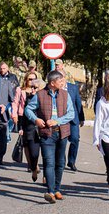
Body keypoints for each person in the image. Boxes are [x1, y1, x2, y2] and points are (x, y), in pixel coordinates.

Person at [24, 69, 76, 204]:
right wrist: (36, 119)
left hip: (62, 132)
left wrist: (57, 121)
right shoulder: (40, 95)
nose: (63, 82)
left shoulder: (65, 95)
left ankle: (57, 189)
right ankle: (50, 191)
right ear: (53, 83)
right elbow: (28, 109)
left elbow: (71, 114)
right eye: (60, 80)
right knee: (49, 162)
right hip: (47, 134)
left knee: (60, 163)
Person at [11, 70, 41, 175]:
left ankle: (34, 164)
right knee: (26, 143)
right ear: (26, 80)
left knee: (36, 144)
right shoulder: (20, 89)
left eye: (34, 79)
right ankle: (31, 165)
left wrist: (35, 92)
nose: (32, 81)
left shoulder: (39, 90)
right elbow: (15, 102)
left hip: (36, 119)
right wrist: (14, 114)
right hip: (23, 118)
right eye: (30, 79)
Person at [0, 61, 19, 164]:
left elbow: (11, 100)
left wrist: (6, 107)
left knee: (3, 138)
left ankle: (0, 157)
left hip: (3, 115)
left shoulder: (6, 83)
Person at [65, 76, 86, 172]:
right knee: (62, 142)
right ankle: (61, 161)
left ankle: (71, 161)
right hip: (60, 120)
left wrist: (81, 118)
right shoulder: (54, 88)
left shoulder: (73, 87)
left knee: (75, 139)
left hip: (73, 119)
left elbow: (78, 103)